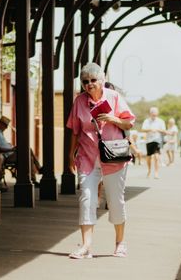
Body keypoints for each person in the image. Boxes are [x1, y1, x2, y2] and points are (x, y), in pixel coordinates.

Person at [66, 63, 135, 259]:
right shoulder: (79, 101)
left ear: (102, 80)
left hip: (113, 158)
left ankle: (120, 243)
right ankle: (86, 245)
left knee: (115, 201)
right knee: (86, 198)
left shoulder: (113, 97)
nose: (89, 84)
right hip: (87, 158)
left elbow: (129, 121)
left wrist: (113, 119)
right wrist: (71, 154)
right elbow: (75, 130)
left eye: (93, 80)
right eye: (85, 81)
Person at [140, 107, 165, 179]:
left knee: (157, 157)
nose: (154, 114)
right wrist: (150, 129)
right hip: (149, 141)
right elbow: (143, 129)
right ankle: (149, 170)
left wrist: (158, 130)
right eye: (152, 112)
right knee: (149, 157)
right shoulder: (146, 121)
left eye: (155, 112)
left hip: (157, 140)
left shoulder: (161, 121)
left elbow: (163, 130)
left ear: (157, 113)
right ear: (150, 113)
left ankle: (156, 173)